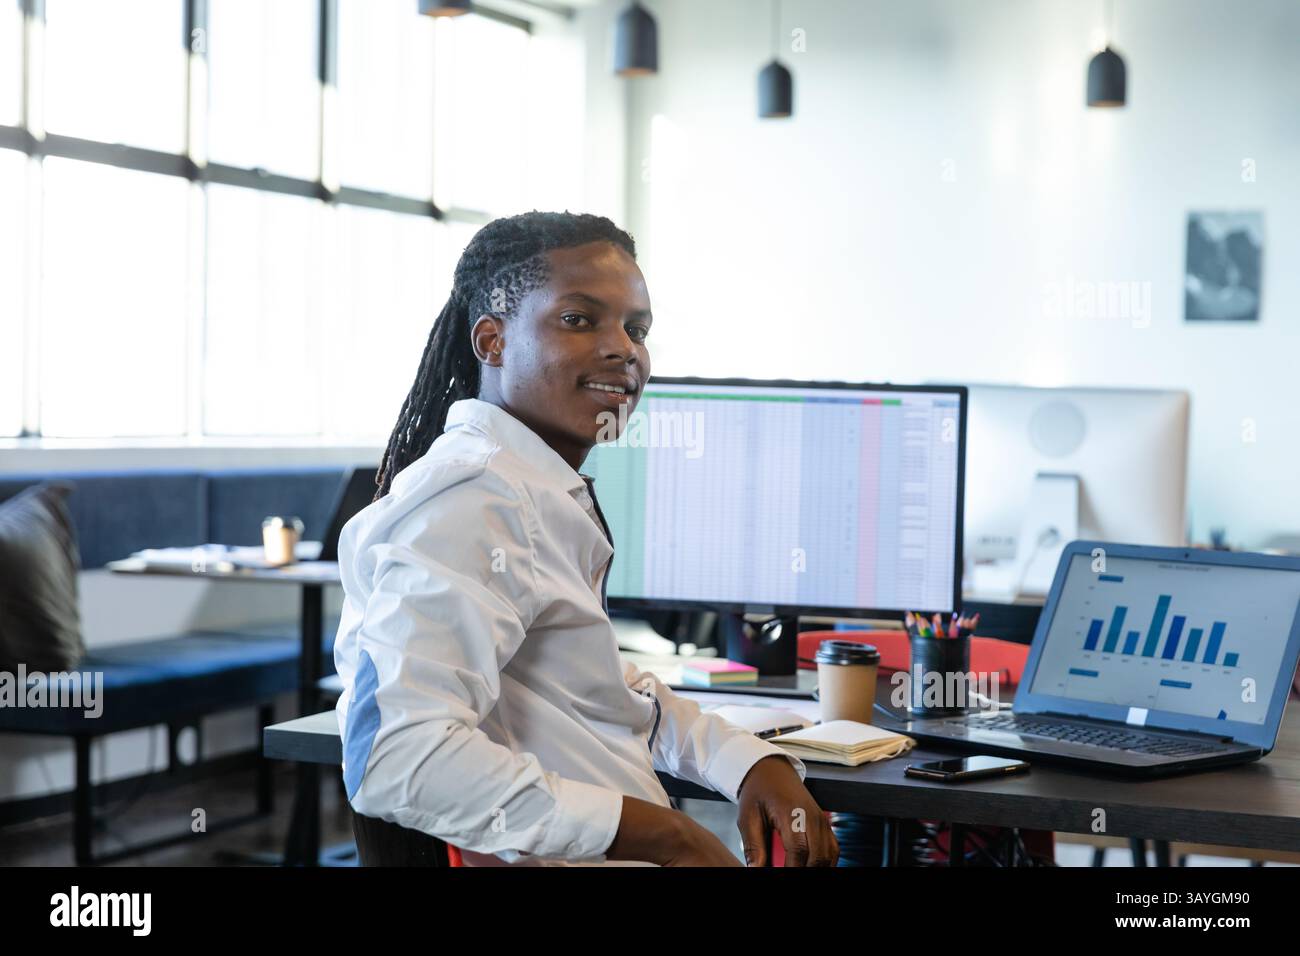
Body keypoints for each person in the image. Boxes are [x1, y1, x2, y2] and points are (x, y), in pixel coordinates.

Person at [333, 211, 838, 866]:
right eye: (580, 319)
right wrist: (673, 837)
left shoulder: (531, 488)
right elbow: (396, 759)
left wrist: (748, 761)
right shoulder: (474, 503)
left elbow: (597, 690)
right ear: (492, 341)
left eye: (637, 329)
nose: (623, 348)